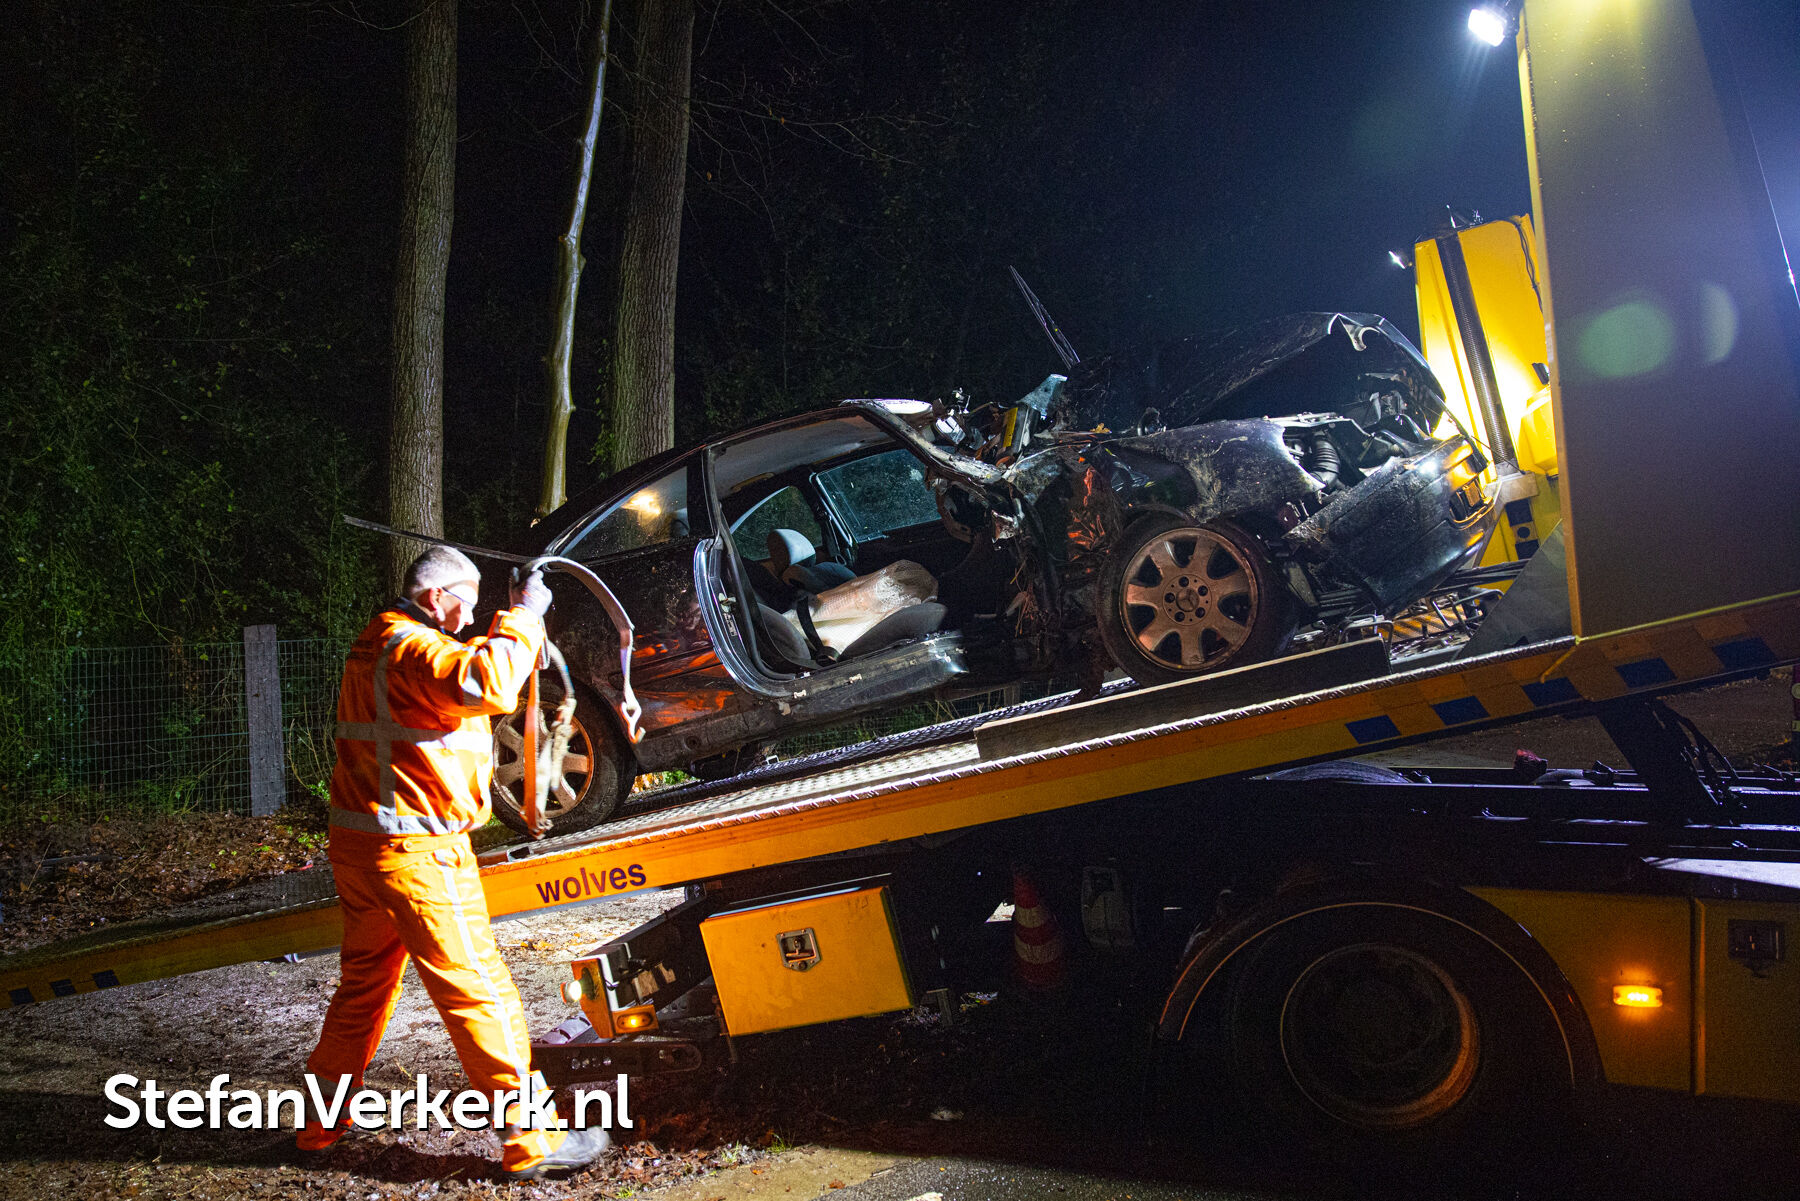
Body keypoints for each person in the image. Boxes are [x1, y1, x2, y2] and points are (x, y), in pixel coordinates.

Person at [295, 546, 609, 1180]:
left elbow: (463, 684)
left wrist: (514, 631)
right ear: (436, 597)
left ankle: (318, 1125)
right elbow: (482, 683)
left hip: (366, 849)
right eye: (464, 604)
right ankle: (533, 1142)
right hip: (418, 854)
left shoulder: (381, 643)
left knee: (363, 989)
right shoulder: (412, 647)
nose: (467, 619)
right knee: (480, 989)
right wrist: (523, 616)